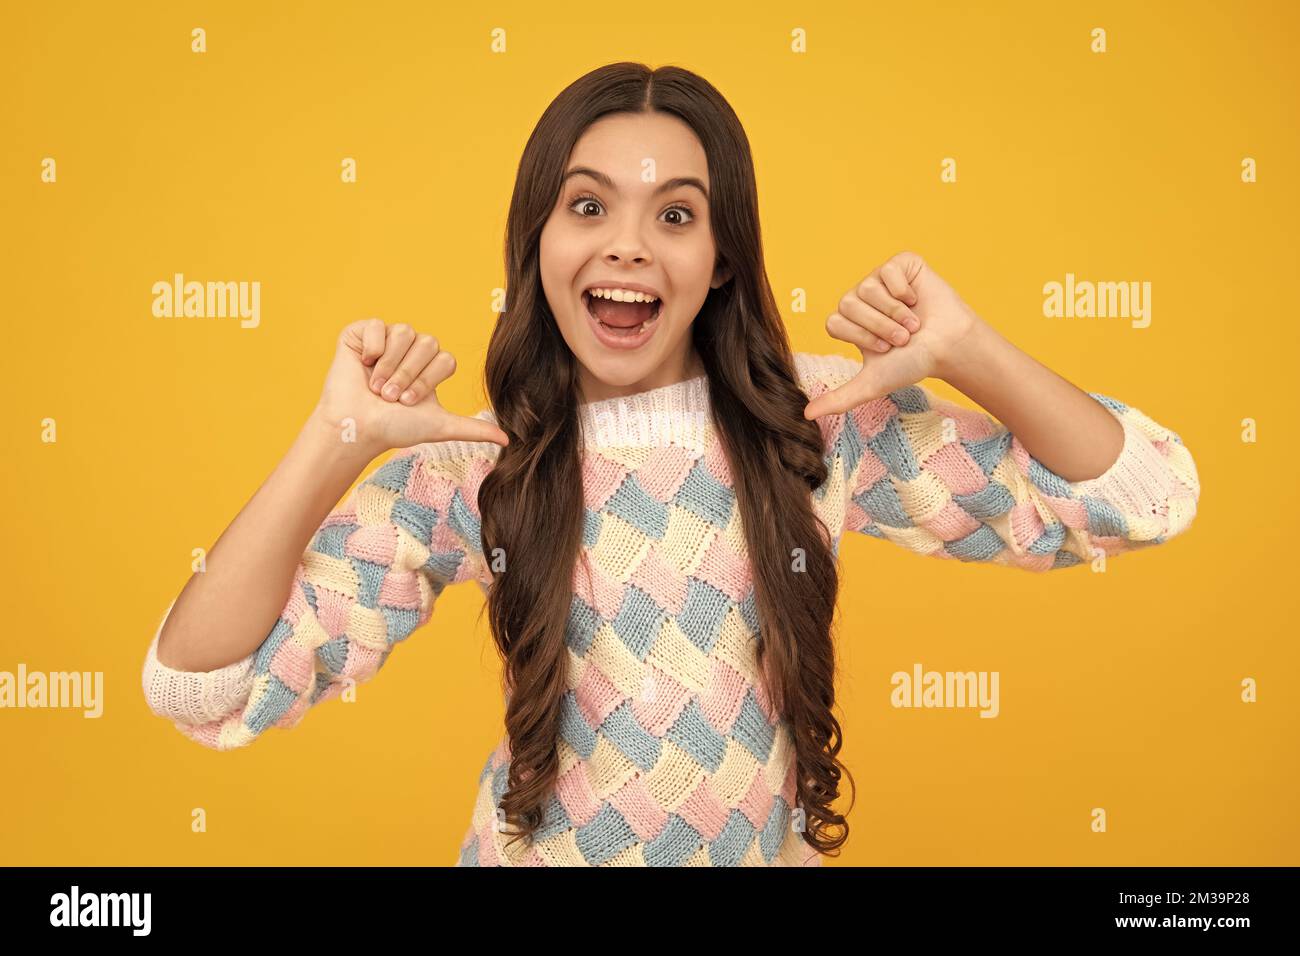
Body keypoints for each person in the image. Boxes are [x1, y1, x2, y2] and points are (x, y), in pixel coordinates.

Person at [140, 62, 1201, 867]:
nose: (629, 246)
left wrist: (969, 347)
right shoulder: (472, 467)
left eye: (676, 214)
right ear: (537, 239)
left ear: (721, 254)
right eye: (588, 204)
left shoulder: (815, 419)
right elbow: (201, 687)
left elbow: (1140, 497)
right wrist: (334, 440)